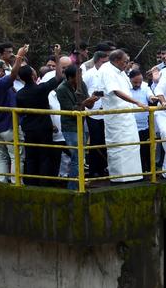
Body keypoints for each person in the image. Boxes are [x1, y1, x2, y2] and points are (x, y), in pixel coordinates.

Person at [16, 47, 65, 185]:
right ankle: (44, 181)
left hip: (29, 128)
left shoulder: (19, 94)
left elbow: (20, 112)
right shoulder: (41, 89)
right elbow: (59, 77)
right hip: (43, 127)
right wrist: (57, 56)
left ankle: (30, 181)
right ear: (33, 76)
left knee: (30, 156)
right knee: (44, 155)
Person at [0, 44, 29, 183]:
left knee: (0, 156)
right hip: (8, 124)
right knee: (16, 155)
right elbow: (13, 75)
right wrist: (19, 56)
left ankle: (2, 182)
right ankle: (16, 182)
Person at [95, 49, 143, 182]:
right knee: (119, 147)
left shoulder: (121, 72)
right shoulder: (107, 70)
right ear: (116, 61)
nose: (127, 64)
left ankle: (134, 176)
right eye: (125, 62)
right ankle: (120, 178)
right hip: (116, 116)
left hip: (128, 115)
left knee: (132, 145)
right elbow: (116, 91)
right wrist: (137, 102)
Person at [55, 65, 100, 188]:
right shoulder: (61, 89)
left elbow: (88, 106)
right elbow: (71, 111)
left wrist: (91, 100)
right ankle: (73, 186)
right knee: (77, 155)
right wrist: (85, 102)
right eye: (78, 77)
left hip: (81, 124)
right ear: (70, 78)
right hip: (70, 126)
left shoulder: (82, 84)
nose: (80, 79)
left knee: (80, 156)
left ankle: (76, 183)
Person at [81, 45, 111, 179]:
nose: (106, 65)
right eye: (104, 62)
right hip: (93, 111)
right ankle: (94, 169)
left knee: (106, 140)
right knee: (95, 140)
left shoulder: (109, 74)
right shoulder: (88, 74)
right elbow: (82, 91)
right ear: (97, 61)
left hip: (107, 111)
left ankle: (103, 167)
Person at [129, 68, 156, 174]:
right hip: (131, 124)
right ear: (130, 80)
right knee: (134, 149)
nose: (138, 84)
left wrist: (153, 98)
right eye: (135, 82)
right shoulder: (126, 88)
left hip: (144, 124)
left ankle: (148, 169)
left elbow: (149, 95)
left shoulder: (145, 86)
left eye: (140, 82)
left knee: (146, 148)